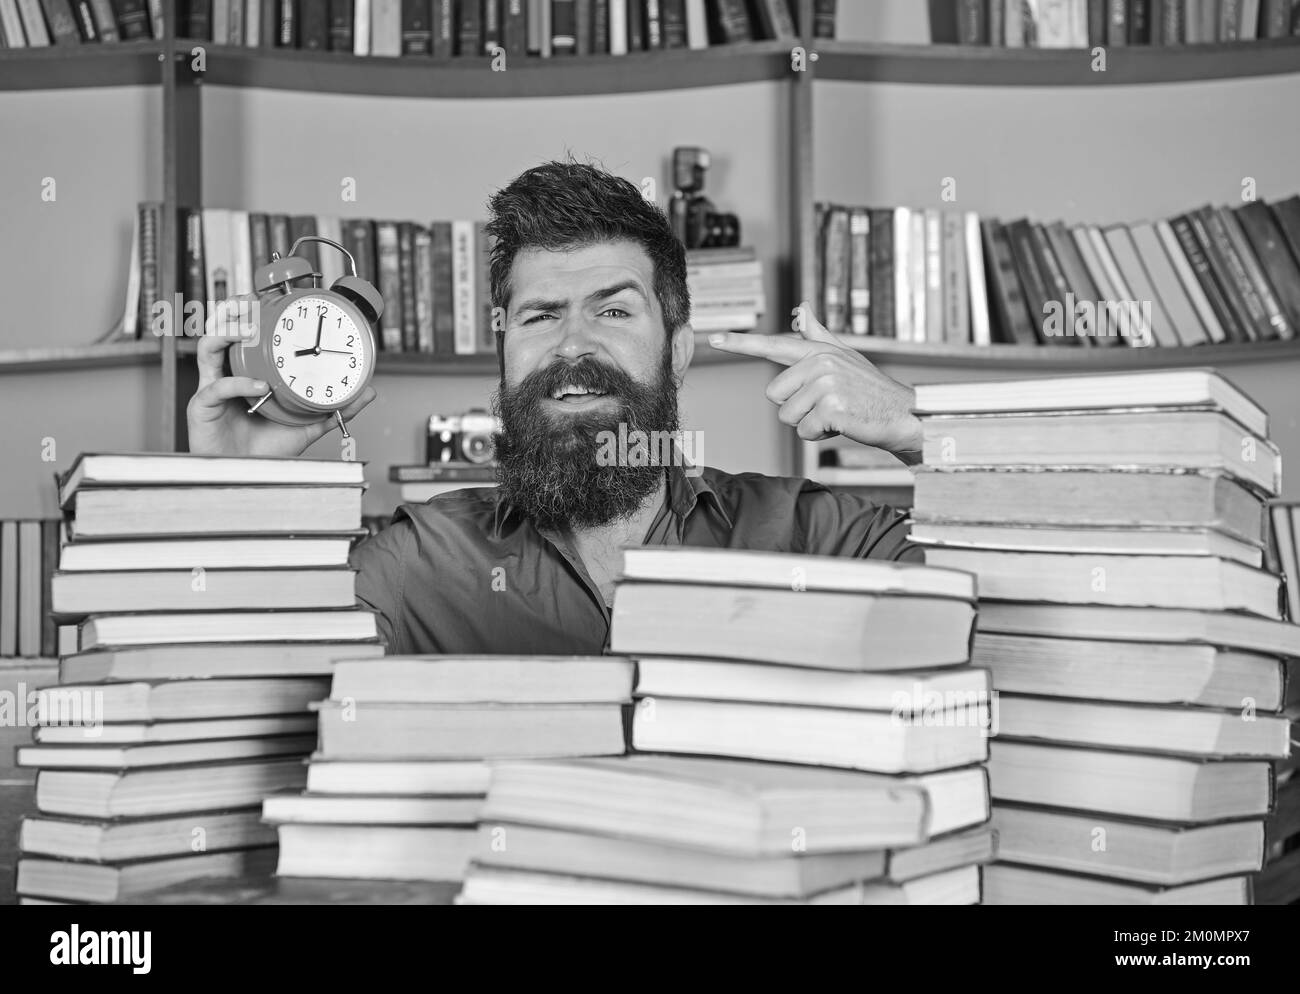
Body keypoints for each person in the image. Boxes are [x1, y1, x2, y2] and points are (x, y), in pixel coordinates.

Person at [188, 160, 926, 654]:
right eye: (540, 315)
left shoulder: (815, 537)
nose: (573, 346)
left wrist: (917, 430)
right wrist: (231, 490)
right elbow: (233, 682)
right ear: (504, 354)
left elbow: (1022, 618)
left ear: (676, 350)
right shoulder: (419, 565)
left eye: (612, 312)